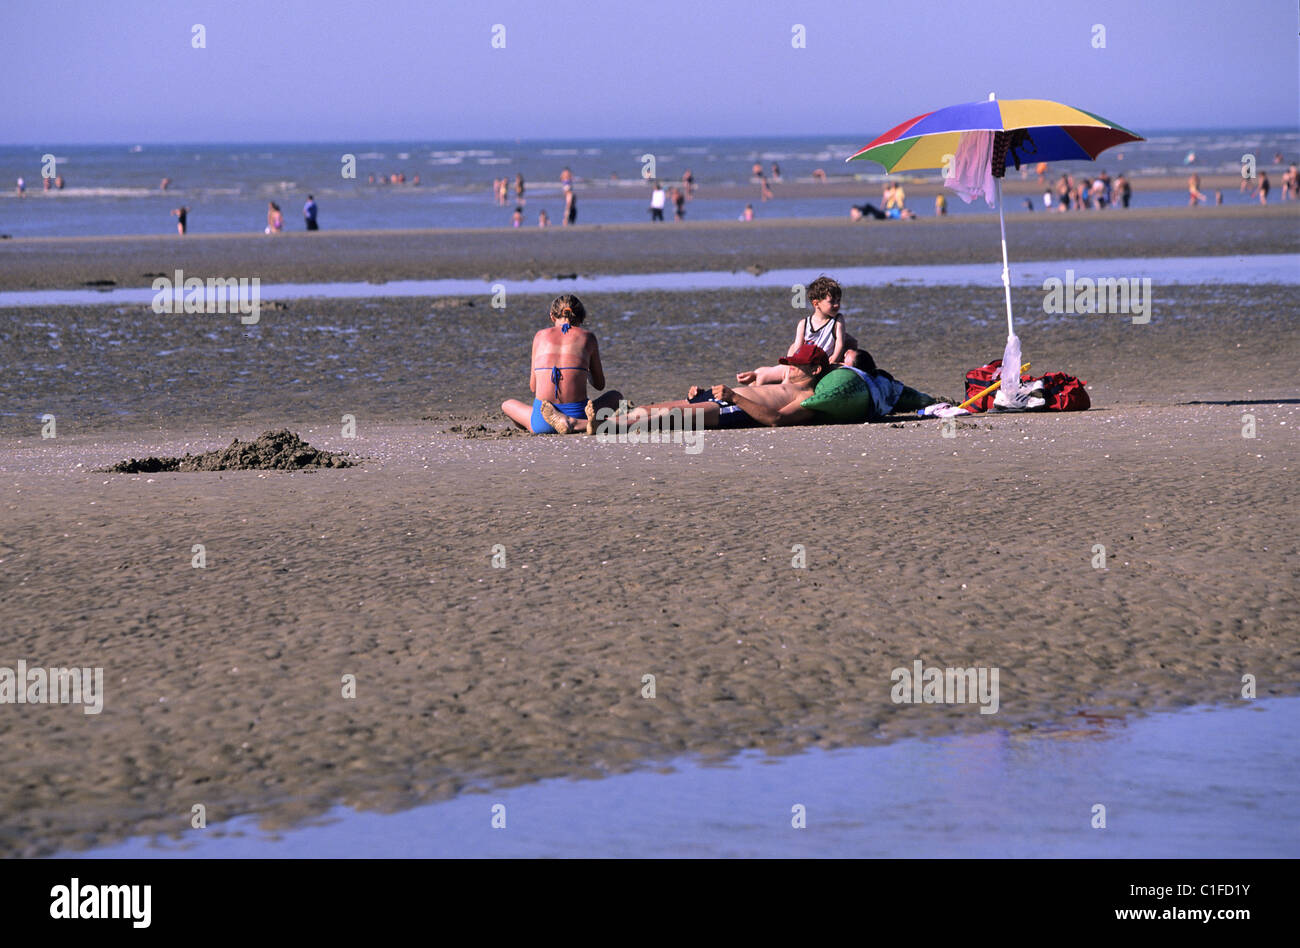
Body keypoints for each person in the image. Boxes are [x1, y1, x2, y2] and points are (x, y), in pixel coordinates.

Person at [607, 343, 833, 432]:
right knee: (648, 408)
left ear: (815, 370)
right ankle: (589, 423)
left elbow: (776, 419)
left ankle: (613, 428)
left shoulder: (809, 398)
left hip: (733, 407)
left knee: (672, 416)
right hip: (722, 398)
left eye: (797, 365)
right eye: (790, 363)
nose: (790, 368)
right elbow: (760, 389)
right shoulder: (786, 382)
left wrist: (735, 398)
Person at [501, 295, 624, 434]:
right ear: (581, 319)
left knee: (507, 404)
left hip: (543, 418)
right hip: (579, 413)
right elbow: (599, 384)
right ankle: (582, 423)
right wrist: (585, 369)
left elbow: (533, 387)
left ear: (552, 317)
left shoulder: (539, 336)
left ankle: (551, 423)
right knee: (616, 396)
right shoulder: (588, 337)